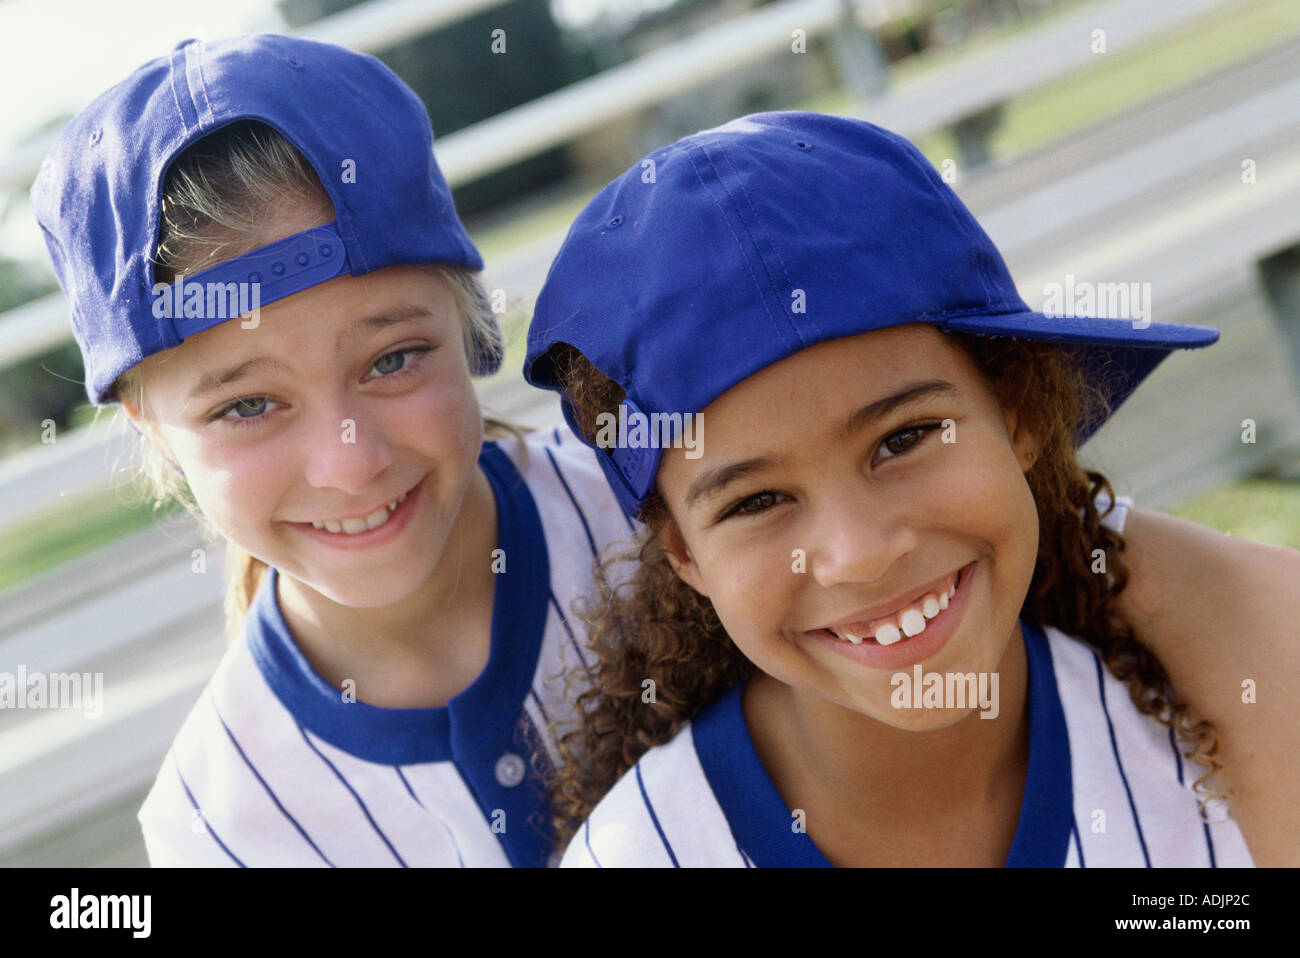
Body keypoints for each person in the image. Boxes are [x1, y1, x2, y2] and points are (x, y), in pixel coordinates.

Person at [524, 111, 1300, 867]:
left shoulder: (1229, 723)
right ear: (685, 556)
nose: (859, 556)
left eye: (903, 440)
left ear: (1019, 411)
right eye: (755, 502)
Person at [30, 34, 630, 867]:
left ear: (469, 322)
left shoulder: (650, 510)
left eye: (391, 359)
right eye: (247, 406)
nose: (350, 464)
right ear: (149, 427)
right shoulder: (220, 829)